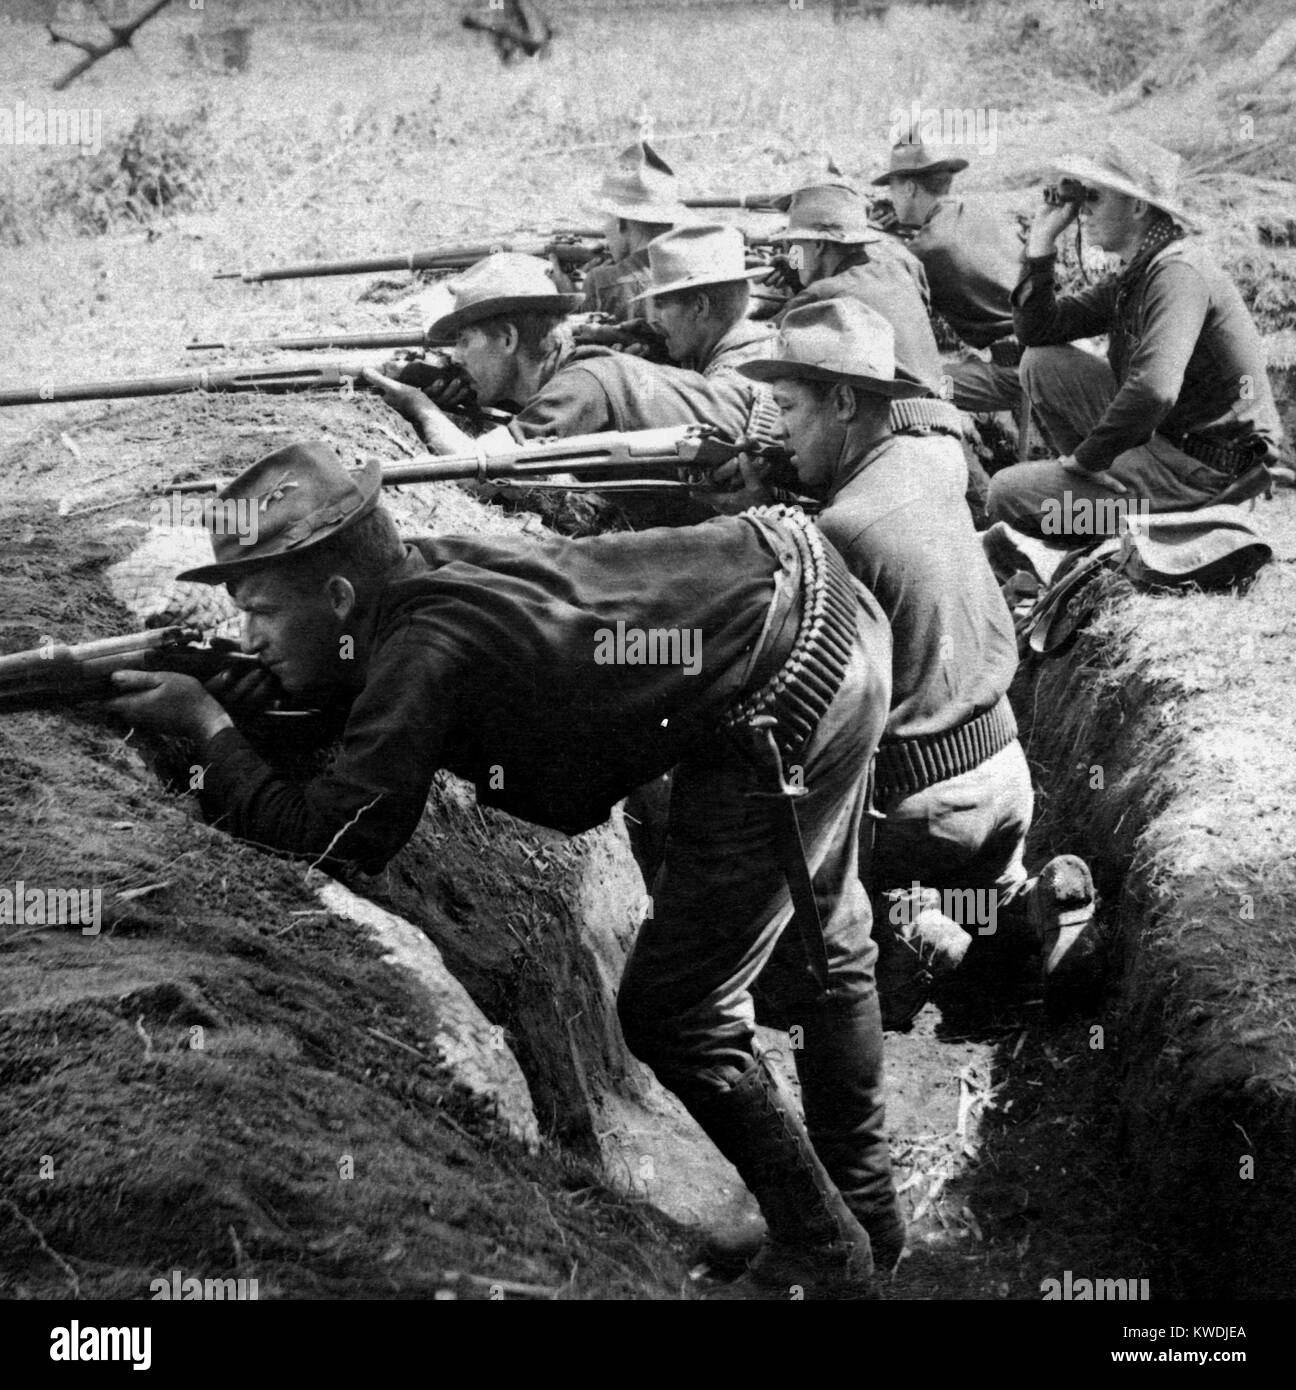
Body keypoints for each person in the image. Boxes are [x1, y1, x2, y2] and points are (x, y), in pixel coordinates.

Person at [105, 437, 901, 1300]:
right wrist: (254, 695)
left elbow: (337, 834)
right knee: (822, 935)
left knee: (676, 1013)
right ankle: (864, 1210)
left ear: (337, 596)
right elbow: (369, 697)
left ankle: (824, 1250)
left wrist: (209, 730)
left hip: (787, 688)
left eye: (260, 612)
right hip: (812, 595)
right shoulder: (418, 575)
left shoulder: (424, 644)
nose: (249, 637)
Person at [732, 298, 1097, 1030]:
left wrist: (750, 515)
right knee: (985, 890)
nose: (777, 431)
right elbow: (883, 509)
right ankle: (1022, 918)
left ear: (844, 402)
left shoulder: (838, 534)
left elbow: (796, 686)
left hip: (916, 810)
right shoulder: (933, 459)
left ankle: (921, 941)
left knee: (776, 943)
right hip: (1002, 779)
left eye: (788, 409)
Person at [987, 134, 1284, 542]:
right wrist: (1040, 246)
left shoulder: (1177, 274)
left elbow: (1154, 391)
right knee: (1042, 362)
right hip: (1170, 441)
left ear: (1139, 207)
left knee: (1007, 494)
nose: (1082, 210)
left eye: (1094, 197)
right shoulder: (1141, 272)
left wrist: (1090, 458)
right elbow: (1038, 330)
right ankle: (1096, 494)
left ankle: (1126, 516)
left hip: (1207, 471)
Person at [362, 252, 771, 527]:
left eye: (465, 340)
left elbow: (476, 472)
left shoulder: (580, 385)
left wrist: (420, 408)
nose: (457, 355)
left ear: (508, 339)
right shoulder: (586, 373)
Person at [871, 138, 1024, 416]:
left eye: (892, 190)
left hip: (1014, 375)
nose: (891, 199)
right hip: (1043, 353)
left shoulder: (928, 249)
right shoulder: (980, 212)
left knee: (913, 383)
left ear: (910, 188)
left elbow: (882, 297)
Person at [770, 182, 944, 394]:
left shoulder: (822, 294)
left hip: (895, 411)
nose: (791, 256)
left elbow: (766, 344)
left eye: (793, 246)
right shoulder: (902, 266)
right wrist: (797, 276)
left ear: (819, 245)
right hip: (943, 396)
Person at [631, 223, 774, 378]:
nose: (653, 319)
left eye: (660, 305)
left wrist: (624, 371)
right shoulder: (749, 350)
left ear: (700, 307)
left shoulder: (734, 374)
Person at [581, 141, 691, 322]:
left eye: (608, 219)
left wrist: (571, 298)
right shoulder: (694, 270)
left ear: (621, 222)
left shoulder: (600, 281)